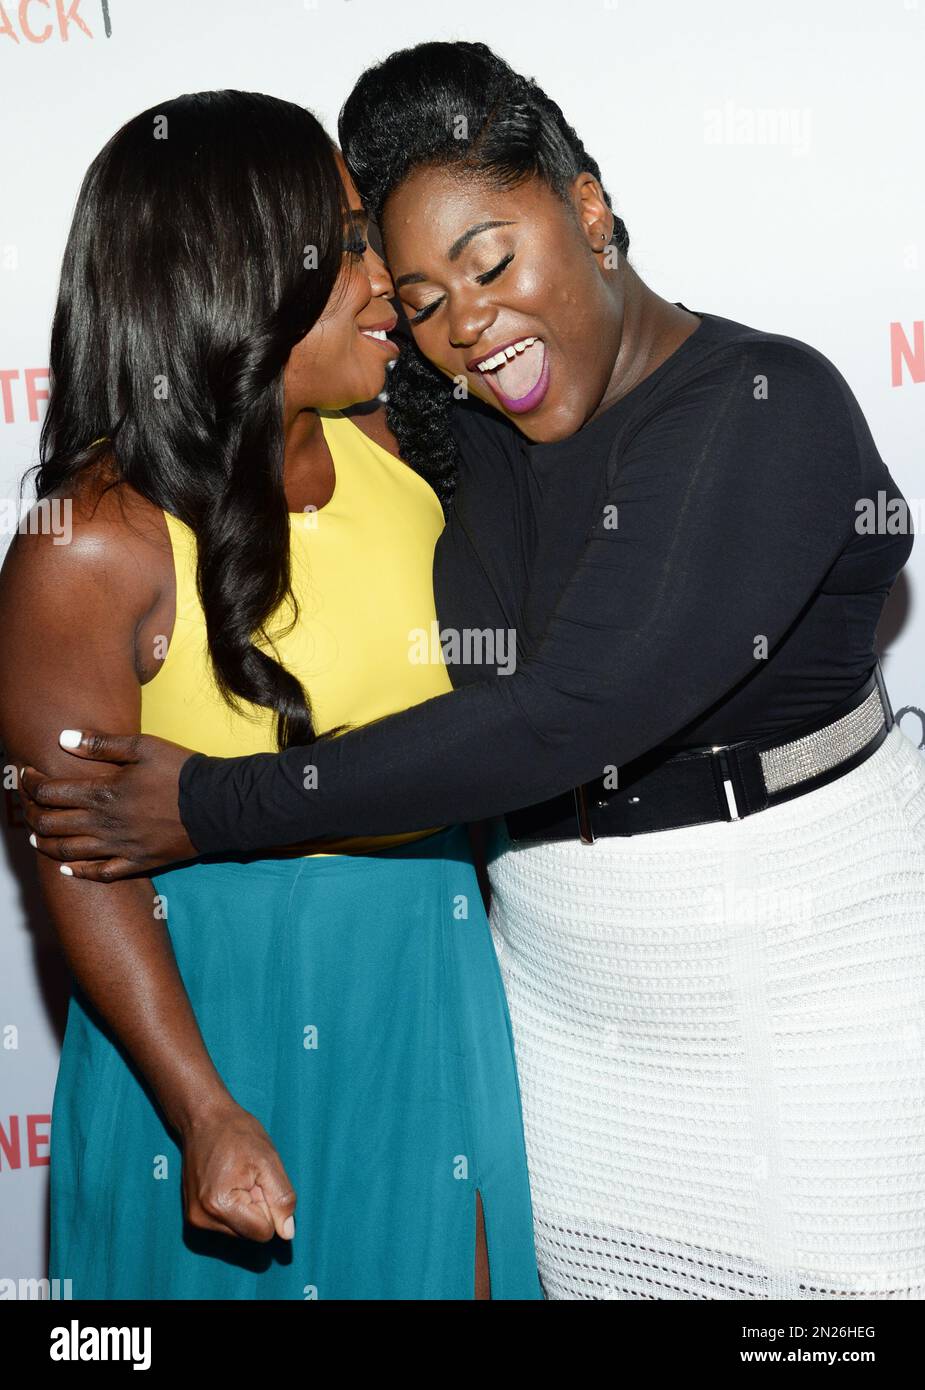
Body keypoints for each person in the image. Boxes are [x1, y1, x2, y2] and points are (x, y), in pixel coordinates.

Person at [20, 44, 925, 1301]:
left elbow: (564, 716)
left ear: (590, 210)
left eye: (490, 263)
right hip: (553, 1031)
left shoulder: (767, 402)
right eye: (421, 293)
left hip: (798, 995)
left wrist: (217, 801)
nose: (460, 322)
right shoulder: (455, 440)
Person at [0, 88, 543, 1301]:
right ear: (237, 272)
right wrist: (200, 1111)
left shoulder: (400, 457)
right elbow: (81, 861)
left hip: (428, 990)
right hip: (207, 1037)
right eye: (348, 243)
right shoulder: (87, 546)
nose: (384, 276)